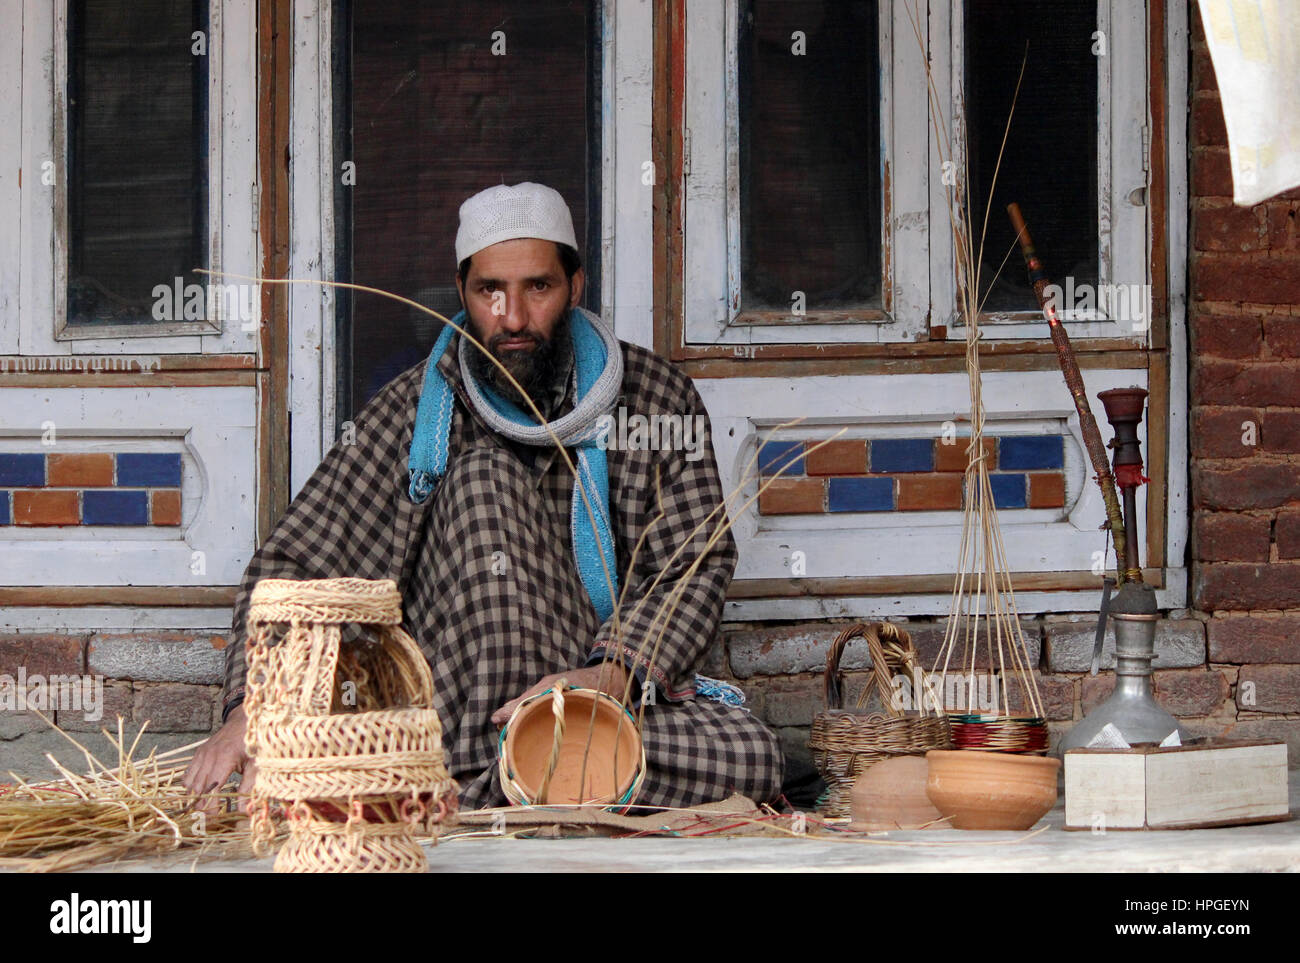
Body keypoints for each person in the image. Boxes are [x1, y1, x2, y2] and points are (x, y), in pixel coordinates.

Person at [183, 182, 784, 811]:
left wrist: (611, 675)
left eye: (538, 288)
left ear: (575, 287)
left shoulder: (657, 400)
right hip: (452, 704)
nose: (513, 318)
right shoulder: (412, 413)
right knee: (483, 480)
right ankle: (521, 779)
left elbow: (693, 563)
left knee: (750, 755)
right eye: (489, 291)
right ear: (464, 293)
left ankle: (463, 786)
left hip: (588, 703)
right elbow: (292, 570)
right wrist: (256, 709)